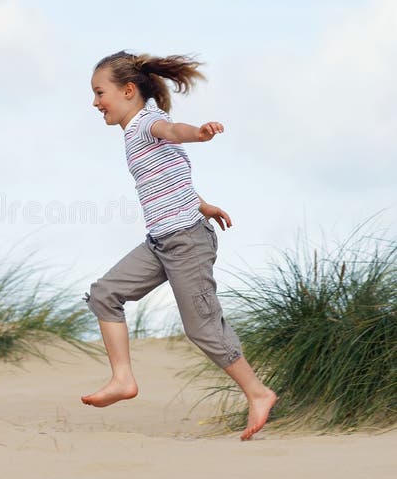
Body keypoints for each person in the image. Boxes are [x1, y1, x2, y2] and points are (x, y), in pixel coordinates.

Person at [81, 50, 277, 441]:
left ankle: (259, 393)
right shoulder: (135, 133)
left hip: (186, 242)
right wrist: (202, 203)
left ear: (128, 90)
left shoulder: (146, 123)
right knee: (105, 294)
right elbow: (171, 171)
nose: (95, 102)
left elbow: (173, 133)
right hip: (160, 242)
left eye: (100, 92)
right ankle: (123, 379)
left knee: (201, 328)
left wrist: (199, 133)